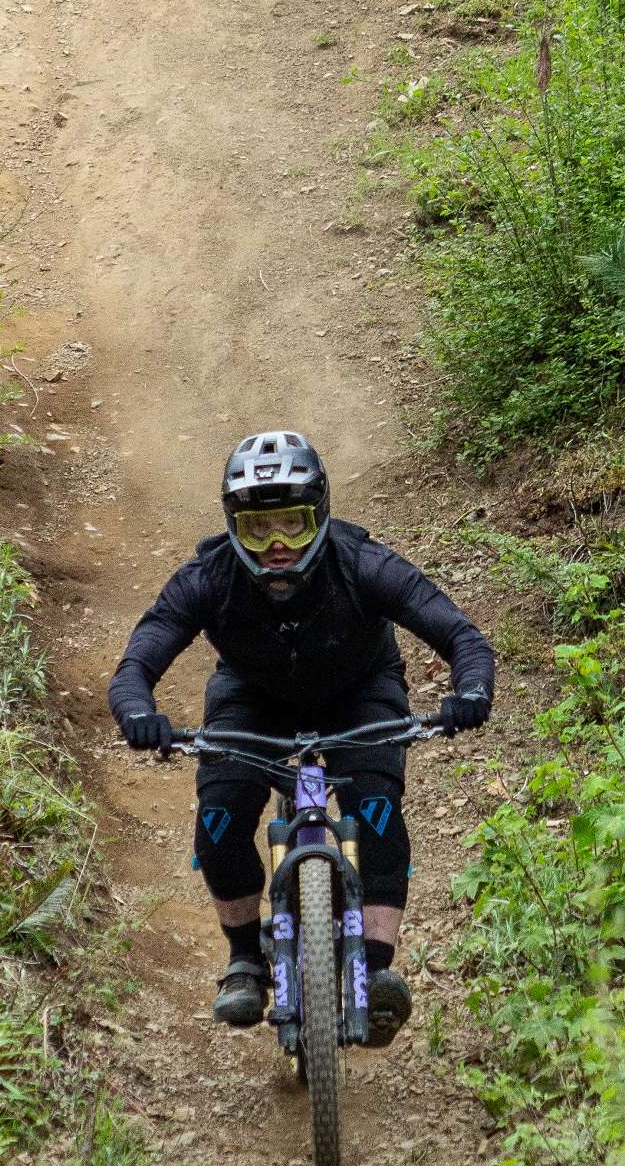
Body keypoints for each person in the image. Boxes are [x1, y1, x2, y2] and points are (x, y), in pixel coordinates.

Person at [107, 429, 494, 1044]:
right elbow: (138, 664)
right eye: (258, 529)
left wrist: (470, 692)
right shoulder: (208, 577)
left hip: (360, 692)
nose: (278, 545)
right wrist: (137, 711)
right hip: (251, 698)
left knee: (375, 802)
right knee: (221, 814)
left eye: (292, 523)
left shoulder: (364, 564)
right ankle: (244, 960)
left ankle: (375, 967)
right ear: (233, 526)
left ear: (321, 515)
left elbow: (461, 637)